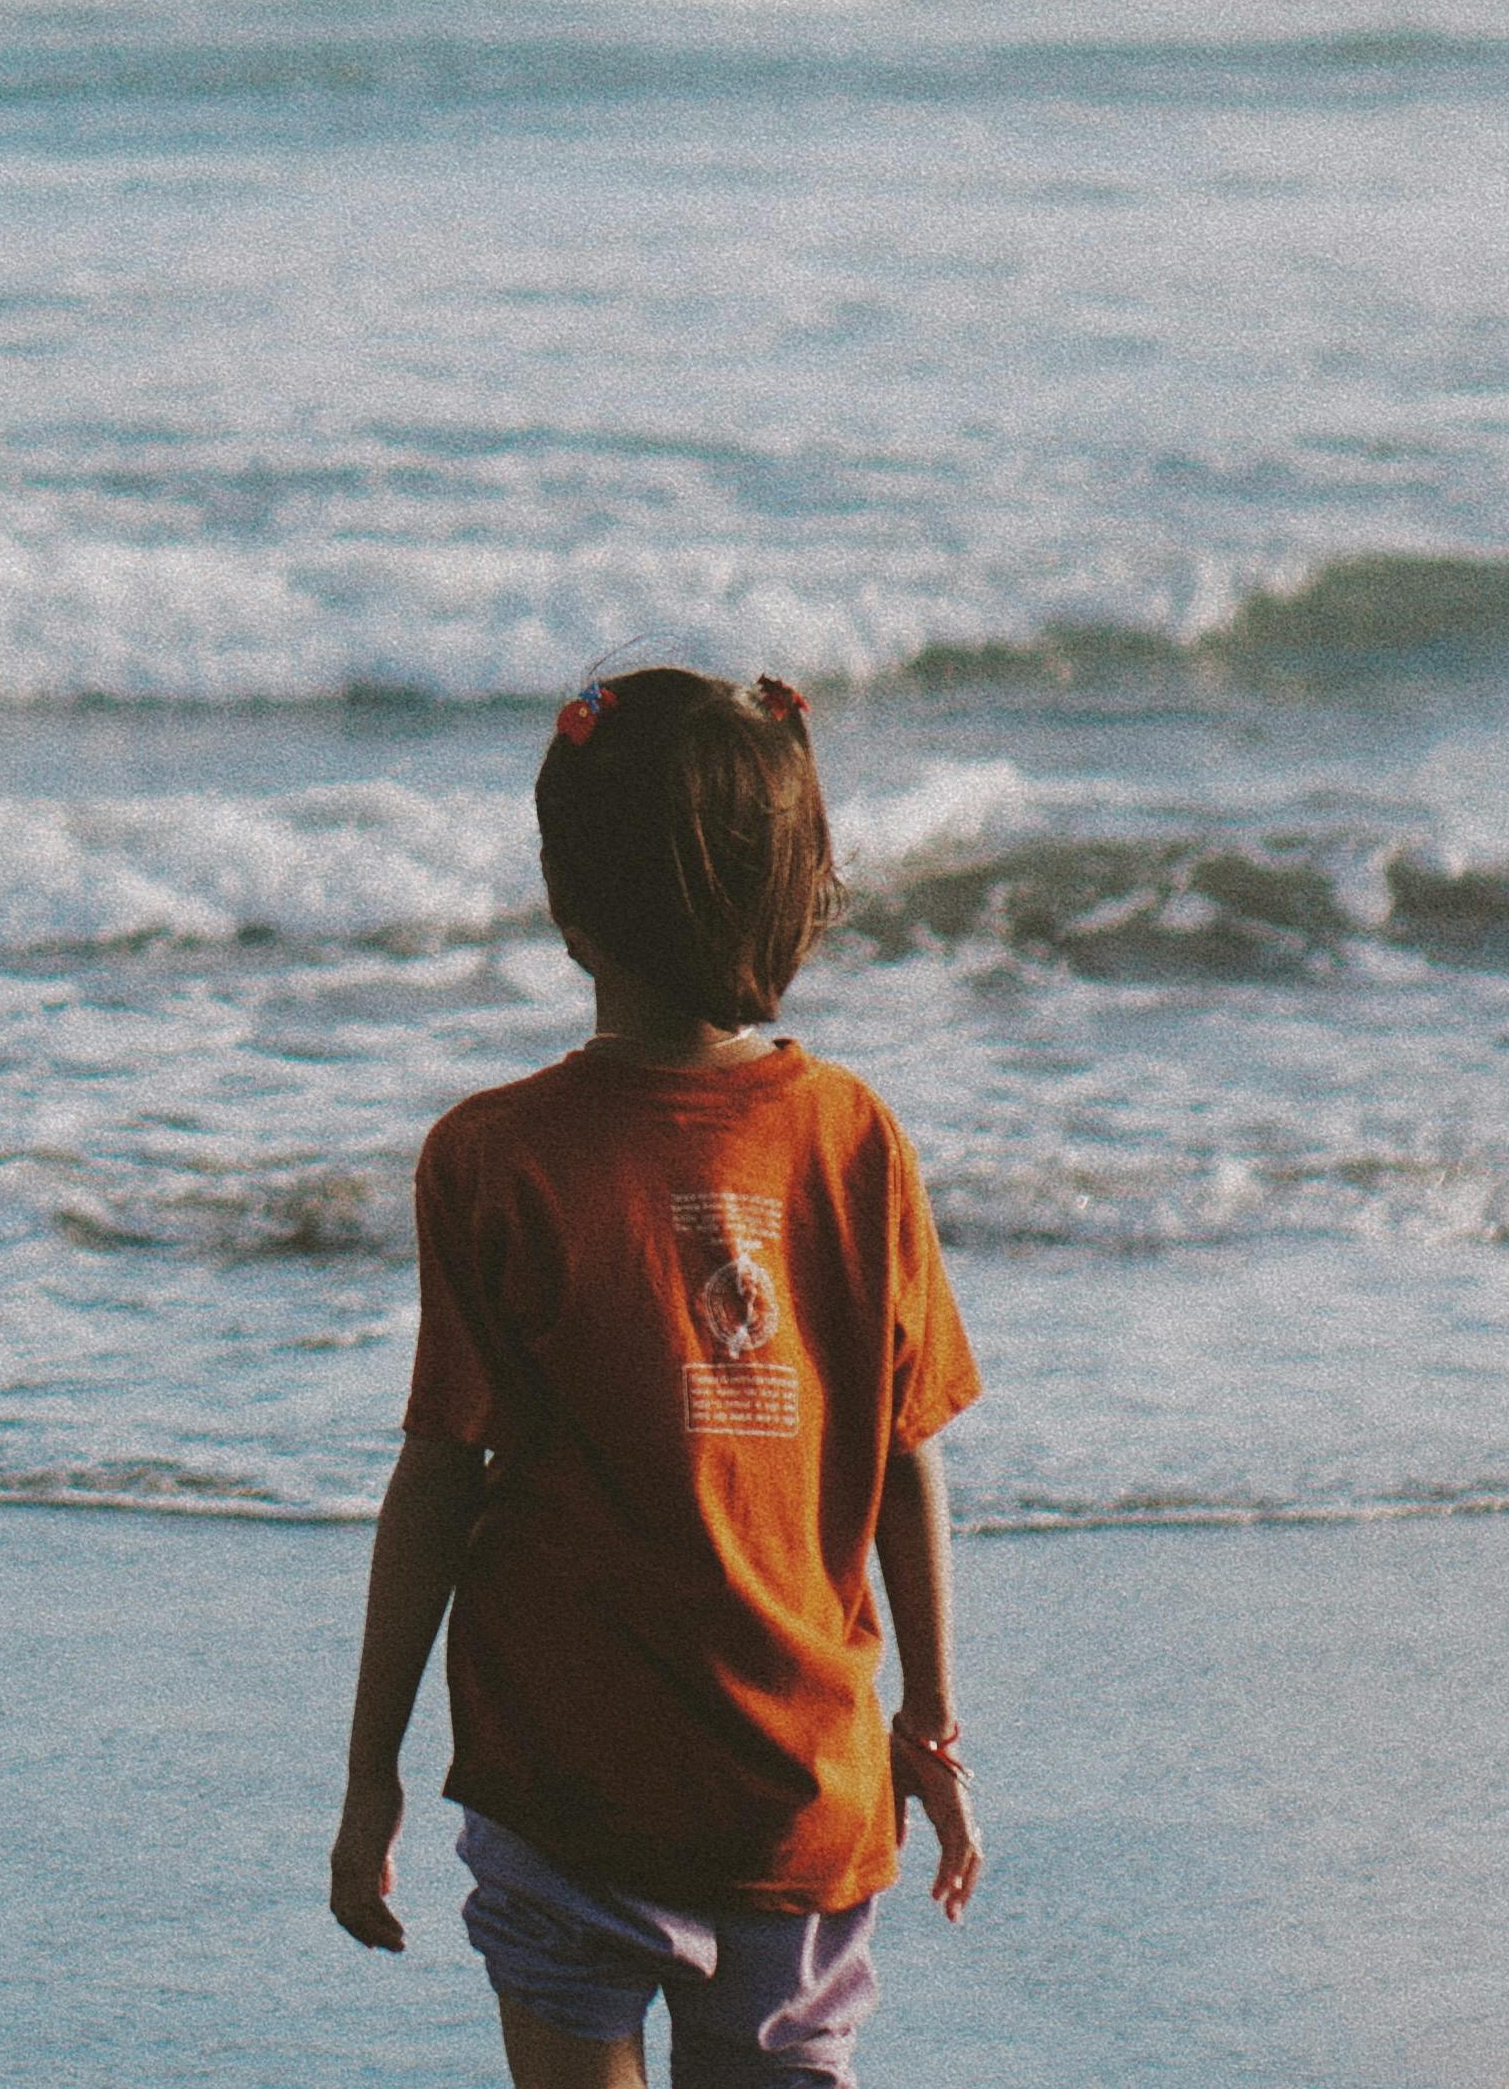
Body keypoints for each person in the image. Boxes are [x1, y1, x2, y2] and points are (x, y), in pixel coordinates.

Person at [326, 668, 981, 2089]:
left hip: (568, 1780)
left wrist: (372, 1771)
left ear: (567, 902)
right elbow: (904, 1457)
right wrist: (930, 1718)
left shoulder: (495, 1156)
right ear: (799, 898)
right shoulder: (855, 1139)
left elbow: (439, 1477)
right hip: (796, 1787)